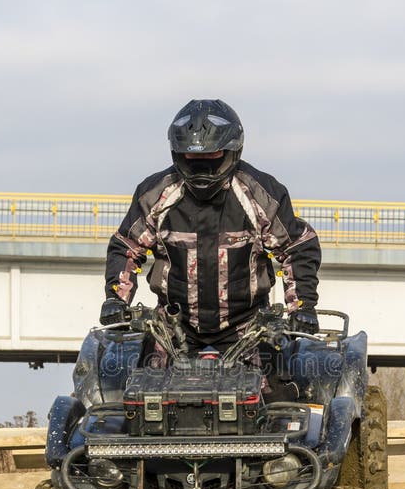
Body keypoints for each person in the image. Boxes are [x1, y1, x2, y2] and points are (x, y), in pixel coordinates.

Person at [101, 99, 322, 355]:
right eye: (193, 157)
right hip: (174, 328)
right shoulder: (155, 194)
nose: (202, 165)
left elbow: (297, 247)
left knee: (292, 381)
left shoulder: (261, 194)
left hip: (249, 329)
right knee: (117, 373)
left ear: (231, 151)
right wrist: (115, 300)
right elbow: (127, 247)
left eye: (211, 156)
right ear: (179, 154)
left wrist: (302, 307)